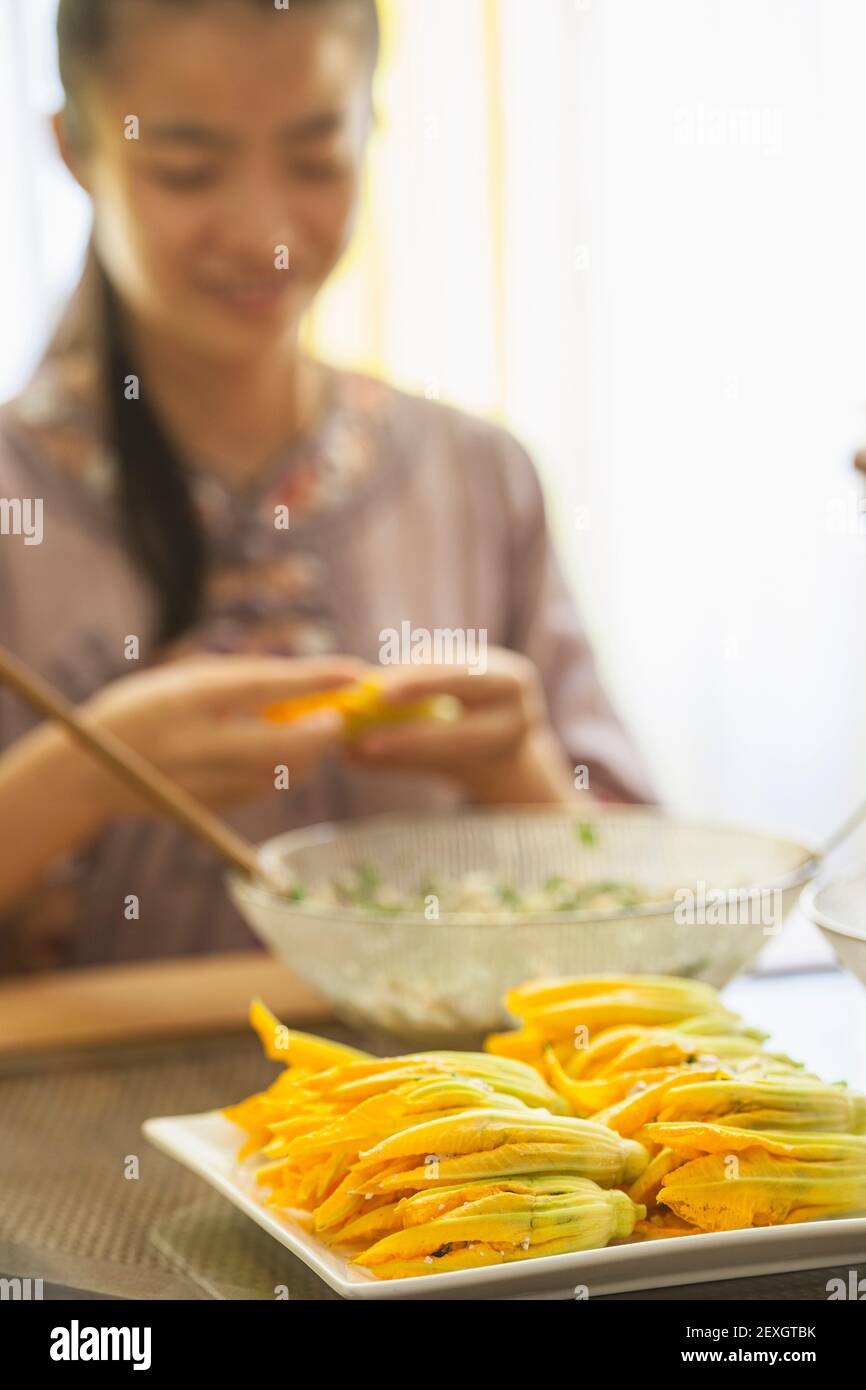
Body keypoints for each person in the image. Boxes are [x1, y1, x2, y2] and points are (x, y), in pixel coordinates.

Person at [0, 0, 653, 973]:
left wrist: (514, 772)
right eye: (187, 169)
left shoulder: (478, 478)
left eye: (315, 160)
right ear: (76, 150)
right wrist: (73, 780)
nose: (264, 231)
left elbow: (645, 928)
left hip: (444, 1119)